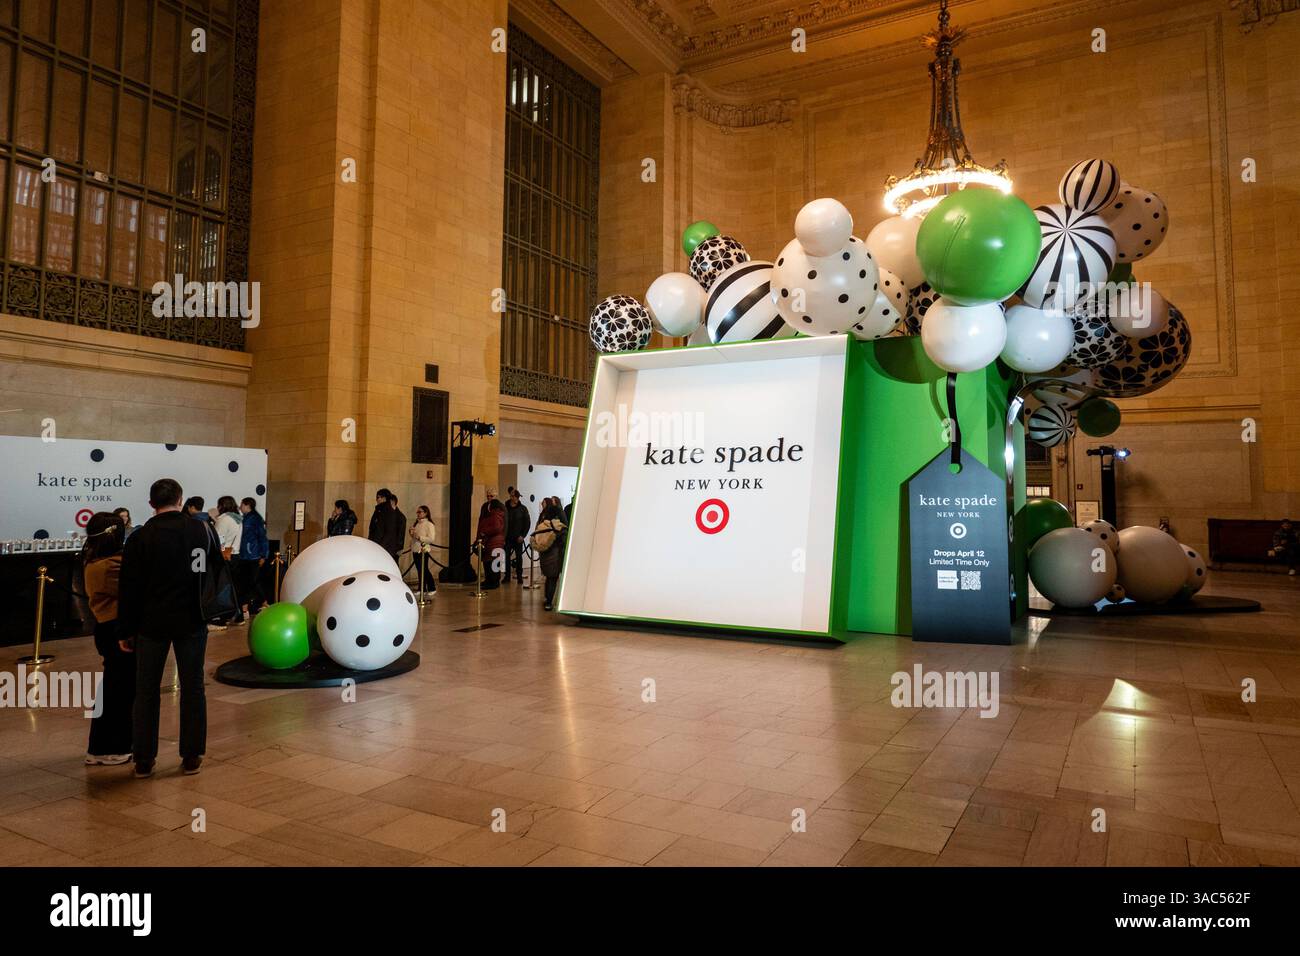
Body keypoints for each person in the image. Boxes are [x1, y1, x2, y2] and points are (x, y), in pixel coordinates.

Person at [117, 478, 224, 778]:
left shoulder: (140, 538)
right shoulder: (201, 530)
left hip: (151, 623)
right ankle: (192, 755)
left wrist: (125, 629)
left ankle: (144, 759)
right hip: (192, 619)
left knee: (146, 689)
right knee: (193, 686)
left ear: (151, 504)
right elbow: (215, 571)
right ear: (180, 499)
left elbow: (129, 588)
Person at [82, 512, 133, 766]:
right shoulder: (109, 566)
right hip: (114, 630)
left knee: (115, 687)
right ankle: (109, 747)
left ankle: (105, 745)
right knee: (117, 690)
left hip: (108, 629)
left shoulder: (98, 560)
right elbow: (134, 589)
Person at [235, 497, 269, 617]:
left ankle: (257, 606)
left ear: (247, 505)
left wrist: (263, 555)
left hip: (252, 556)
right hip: (247, 555)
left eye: (242, 505)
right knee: (250, 582)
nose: (240, 507)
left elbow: (262, 537)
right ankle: (250, 608)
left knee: (251, 582)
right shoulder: (249, 518)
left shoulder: (254, 519)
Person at [532, 502, 567, 611]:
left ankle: (547, 598)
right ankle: (549, 602)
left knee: (548, 578)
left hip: (544, 557)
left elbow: (536, 539)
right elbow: (564, 542)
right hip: (555, 557)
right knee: (553, 579)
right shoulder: (559, 527)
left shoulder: (542, 526)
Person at [475, 498, 506, 589]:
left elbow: (497, 528)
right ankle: (490, 581)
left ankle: (493, 583)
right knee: (491, 563)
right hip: (494, 543)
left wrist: (484, 532)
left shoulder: (495, 515)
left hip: (494, 543)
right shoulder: (495, 514)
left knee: (493, 564)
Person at [369, 488, 405, 562]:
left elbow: (389, 532)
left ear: (384, 498)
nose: (377, 499)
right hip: (377, 545)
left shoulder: (389, 511)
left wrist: (381, 546)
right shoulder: (379, 510)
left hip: (384, 547)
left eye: (378, 497)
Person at [504, 489, 531, 585]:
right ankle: (507, 577)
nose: (516, 498)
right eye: (515, 496)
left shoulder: (523, 509)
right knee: (506, 557)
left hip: (518, 538)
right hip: (507, 537)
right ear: (511, 497)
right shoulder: (505, 508)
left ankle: (519, 576)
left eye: (517, 496)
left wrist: (523, 535)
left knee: (519, 557)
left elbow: (527, 523)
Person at [409, 505, 438, 594]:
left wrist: (419, 537)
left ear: (426, 513)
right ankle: (422, 588)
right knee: (419, 570)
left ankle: (432, 587)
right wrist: (411, 534)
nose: (418, 514)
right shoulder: (417, 523)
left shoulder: (429, 524)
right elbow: (414, 537)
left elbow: (431, 539)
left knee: (424, 570)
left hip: (423, 550)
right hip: (415, 549)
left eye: (420, 512)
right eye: (417, 512)